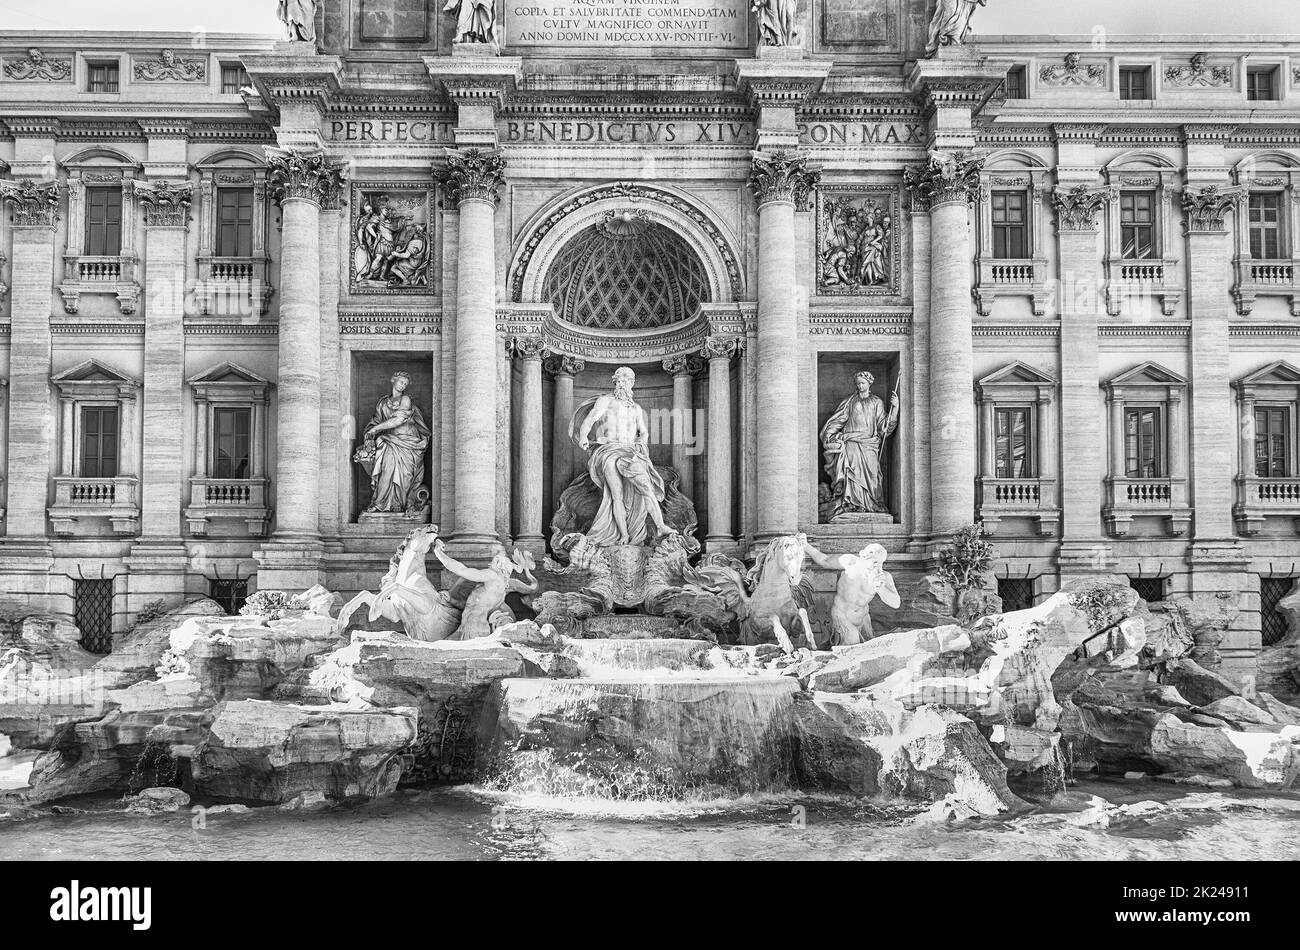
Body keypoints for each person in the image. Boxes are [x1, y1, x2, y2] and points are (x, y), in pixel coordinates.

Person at [572, 366, 673, 546]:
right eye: (618, 380)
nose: (621, 383)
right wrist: (583, 436)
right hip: (609, 450)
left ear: (632, 383)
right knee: (615, 495)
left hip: (629, 452)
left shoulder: (636, 408)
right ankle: (624, 535)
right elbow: (591, 418)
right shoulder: (606, 401)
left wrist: (641, 444)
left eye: (625, 380)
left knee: (646, 487)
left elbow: (644, 433)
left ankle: (660, 526)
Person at [821, 370, 899, 515]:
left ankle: (871, 504)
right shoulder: (850, 401)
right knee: (852, 474)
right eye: (858, 383)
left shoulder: (877, 402)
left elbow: (884, 425)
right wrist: (830, 434)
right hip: (851, 441)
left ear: (869, 384)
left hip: (869, 444)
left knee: (872, 475)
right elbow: (839, 420)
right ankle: (851, 504)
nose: (860, 386)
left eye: (863, 383)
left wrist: (895, 408)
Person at [802, 539, 900, 646]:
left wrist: (880, 588)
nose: (878, 567)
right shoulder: (850, 562)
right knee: (852, 644)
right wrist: (805, 546)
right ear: (864, 557)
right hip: (841, 615)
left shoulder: (883, 577)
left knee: (869, 650)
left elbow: (896, 603)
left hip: (863, 618)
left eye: (880, 563)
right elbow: (825, 560)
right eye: (875, 562)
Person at [432, 540, 537, 639]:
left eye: (496, 555)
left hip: (473, 626)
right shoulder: (506, 586)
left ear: (498, 564)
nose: (493, 558)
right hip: (478, 626)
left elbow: (461, 570)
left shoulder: (490, 575)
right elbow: (532, 588)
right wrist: (527, 570)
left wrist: (439, 553)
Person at [358, 371, 430, 513]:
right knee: (387, 467)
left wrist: (376, 430)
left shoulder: (406, 400)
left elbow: (398, 420)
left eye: (405, 384)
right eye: (401, 382)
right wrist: (372, 432)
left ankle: (399, 504)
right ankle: (381, 503)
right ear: (393, 380)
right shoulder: (383, 403)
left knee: (404, 476)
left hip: (408, 443)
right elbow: (376, 422)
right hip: (390, 441)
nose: (403, 385)